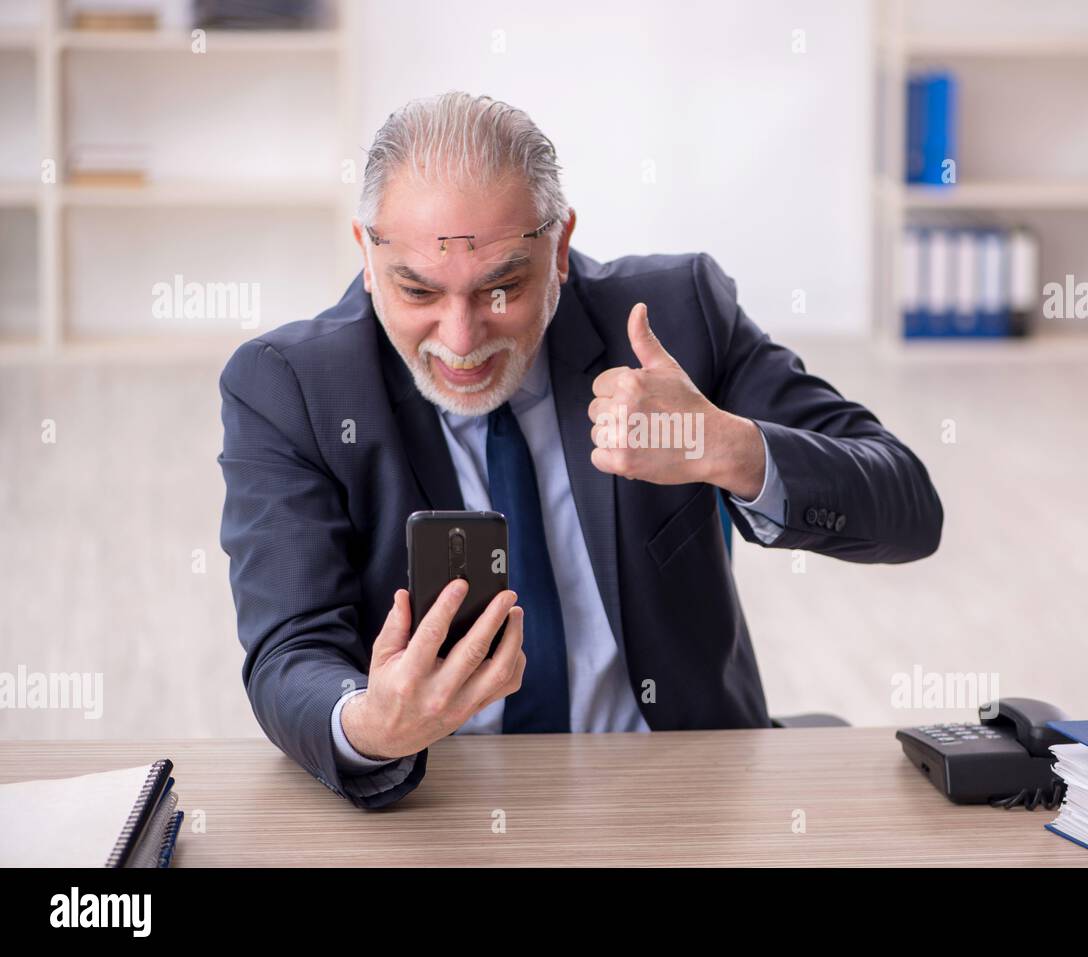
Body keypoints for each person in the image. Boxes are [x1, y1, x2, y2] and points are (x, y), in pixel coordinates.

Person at [218, 91, 943, 809]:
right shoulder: (290, 388)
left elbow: (909, 507)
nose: (462, 339)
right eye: (418, 291)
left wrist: (728, 446)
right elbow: (290, 652)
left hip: (682, 792)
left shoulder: (679, 316)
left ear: (560, 247)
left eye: (503, 287)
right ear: (367, 255)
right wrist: (371, 724)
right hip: (438, 807)